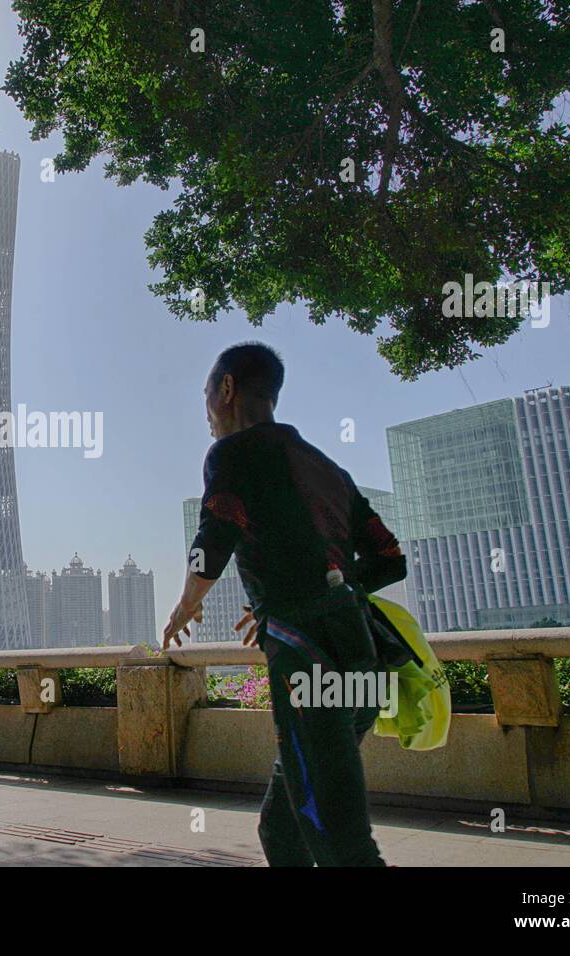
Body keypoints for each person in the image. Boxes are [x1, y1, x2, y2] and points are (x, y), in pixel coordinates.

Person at [163, 343, 407, 867]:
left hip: (308, 657)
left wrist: (186, 603)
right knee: (282, 827)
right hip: (359, 655)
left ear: (227, 389)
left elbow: (216, 534)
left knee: (338, 837)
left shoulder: (232, 454)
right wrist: (319, 586)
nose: (205, 411)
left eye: (207, 394)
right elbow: (390, 559)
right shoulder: (325, 465)